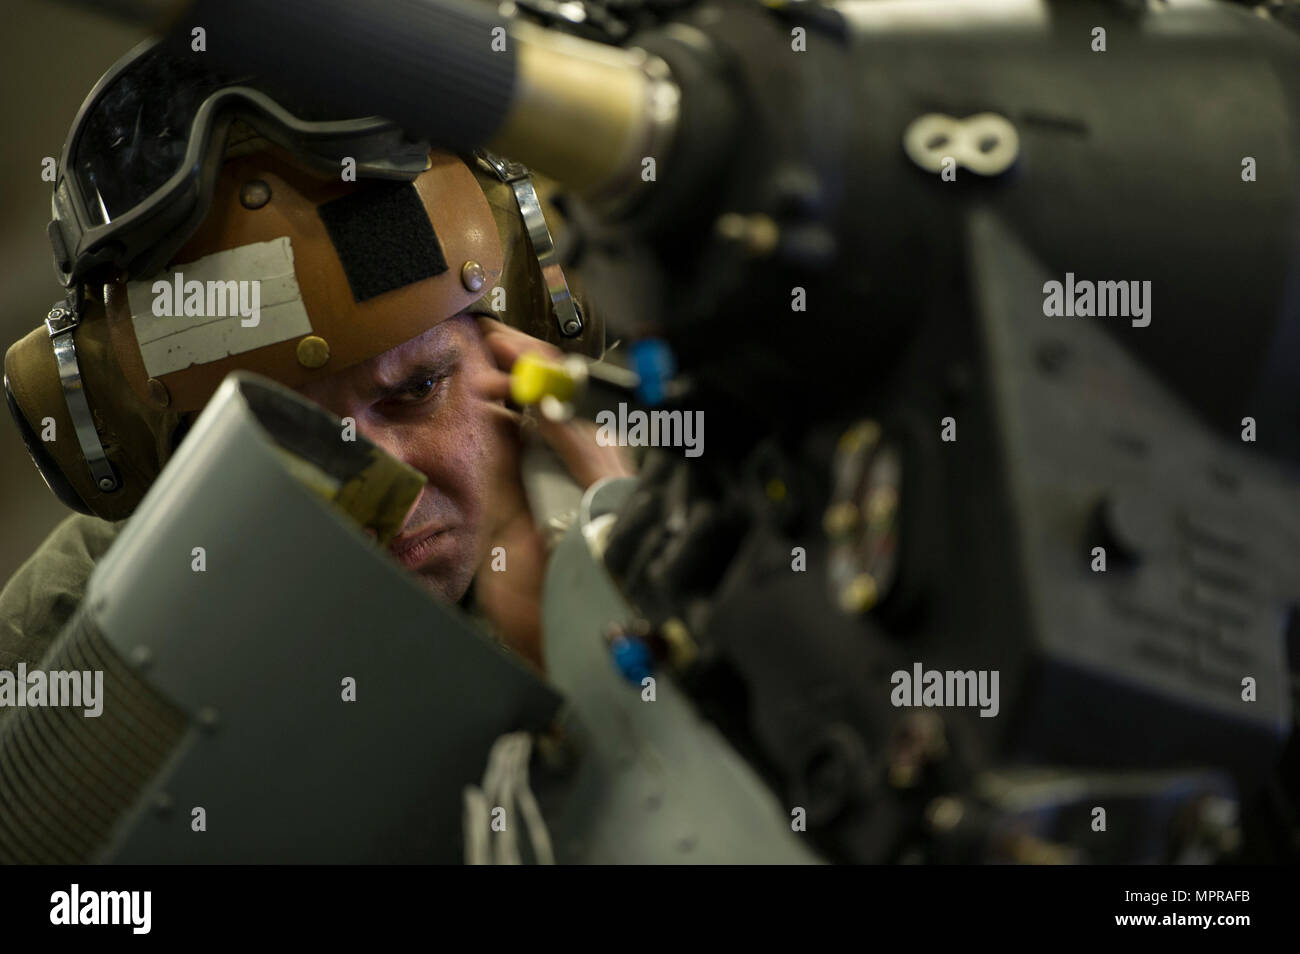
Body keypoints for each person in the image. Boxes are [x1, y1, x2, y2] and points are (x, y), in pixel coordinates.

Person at [0, 38, 631, 675]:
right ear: (168, 464)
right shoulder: (73, 650)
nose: (377, 491)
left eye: (415, 391)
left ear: (520, 346)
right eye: (283, 432)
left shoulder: (663, 510)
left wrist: (608, 621)